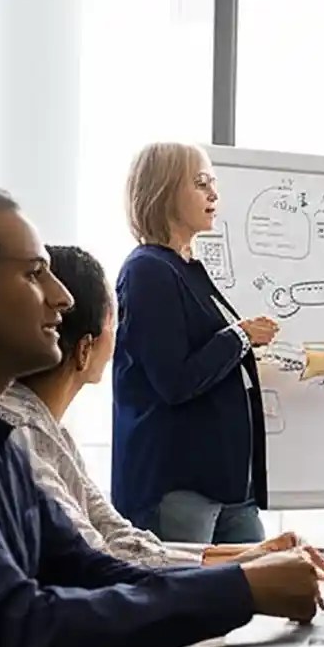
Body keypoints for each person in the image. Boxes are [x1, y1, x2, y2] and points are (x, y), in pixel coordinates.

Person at [0, 185, 322, 647]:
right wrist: (243, 586)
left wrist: (244, 579)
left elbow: (94, 568)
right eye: (31, 274)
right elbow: (11, 628)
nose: (62, 298)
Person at [0, 244, 324, 574]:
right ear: (85, 348)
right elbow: (97, 563)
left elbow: (119, 540)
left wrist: (253, 556)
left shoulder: (52, 434)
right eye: (117, 319)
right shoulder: (20, 434)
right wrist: (243, 578)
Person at [113, 141, 278, 543]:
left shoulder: (187, 269)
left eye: (213, 183)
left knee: (251, 591)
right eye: (200, 183)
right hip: (179, 486)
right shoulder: (148, 270)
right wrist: (240, 335)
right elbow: (175, 380)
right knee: (186, 600)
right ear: (164, 191)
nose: (214, 194)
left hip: (228, 486)